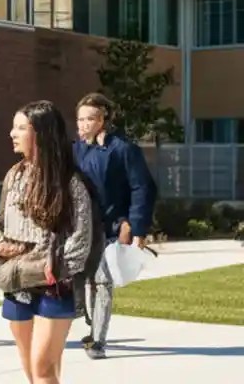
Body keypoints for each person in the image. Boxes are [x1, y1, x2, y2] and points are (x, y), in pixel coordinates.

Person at [0, 101, 95, 384]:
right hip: (16, 282)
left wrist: (51, 267)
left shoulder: (70, 183)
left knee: (43, 369)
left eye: (21, 128)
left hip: (54, 286)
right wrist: (1, 247)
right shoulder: (14, 175)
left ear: (41, 133)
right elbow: (0, 225)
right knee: (32, 371)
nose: (12, 134)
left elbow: (80, 240)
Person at [73, 92, 157, 360]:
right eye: (80, 119)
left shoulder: (123, 149)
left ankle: (98, 340)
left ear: (104, 119)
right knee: (88, 281)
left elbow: (142, 188)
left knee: (102, 281)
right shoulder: (76, 149)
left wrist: (136, 226)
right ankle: (93, 327)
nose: (84, 124)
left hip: (112, 225)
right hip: (81, 225)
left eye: (90, 119)